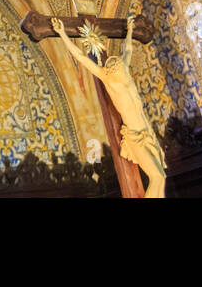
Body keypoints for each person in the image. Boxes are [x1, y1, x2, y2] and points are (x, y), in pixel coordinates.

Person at [51, 13, 167, 198]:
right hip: (135, 136)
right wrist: (62, 33)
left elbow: (127, 50)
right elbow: (81, 57)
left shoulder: (124, 71)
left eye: (116, 61)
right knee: (157, 177)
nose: (115, 61)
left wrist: (129, 31)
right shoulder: (108, 78)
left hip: (147, 130)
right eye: (113, 63)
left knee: (162, 176)